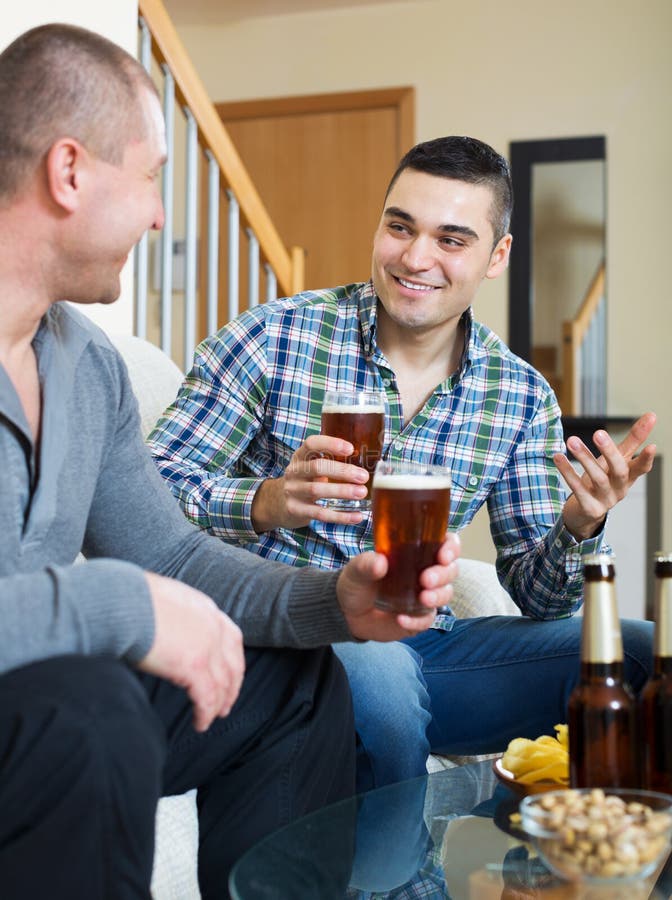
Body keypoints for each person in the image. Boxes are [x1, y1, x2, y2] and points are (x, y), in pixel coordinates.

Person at [0, 24, 459, 900]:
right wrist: (118, 601)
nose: (162, 215)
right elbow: (133, 588)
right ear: (69, 172)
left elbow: (168, 555)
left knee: (292, 681)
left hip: (55, 704)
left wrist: (335, 602)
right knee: (92, 714)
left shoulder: (85, 364)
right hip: (51, 715)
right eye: (152, 178)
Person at [148, 135, 656, 789]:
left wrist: (580, 524)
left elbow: (543, 600)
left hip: (431, 650)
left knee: (638, 652)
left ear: (496, 255)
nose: (415, 258)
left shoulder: (519, 396)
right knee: (379, 673)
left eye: (451, 239)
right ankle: (401, 889)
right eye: (400, 227)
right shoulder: (273, 336)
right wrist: (265, 499)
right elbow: (150, 489)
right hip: (290, 633)